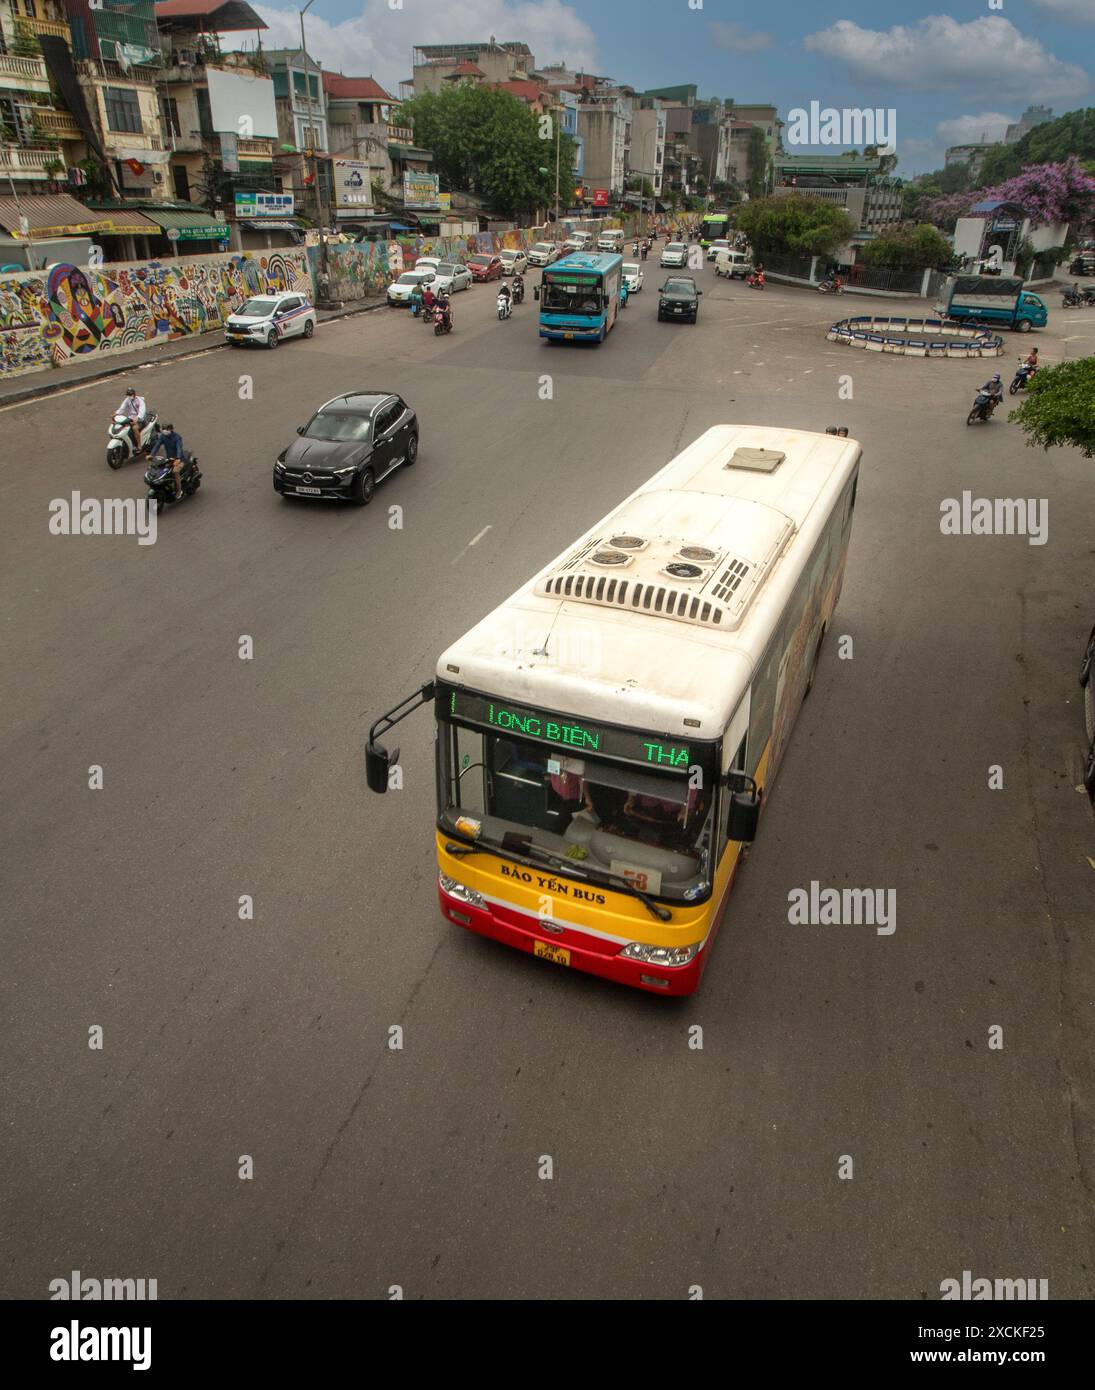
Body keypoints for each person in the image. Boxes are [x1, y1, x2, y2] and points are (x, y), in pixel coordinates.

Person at [151, 421, 186, 500]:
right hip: (169, 459)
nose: (164, 430)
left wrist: (178, 458)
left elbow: (179, 448)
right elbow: (157, 445)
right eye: (163, 429)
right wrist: (151, 454)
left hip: (180, 460)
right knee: (160, 470)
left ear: (171, 429)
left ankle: (179, 491)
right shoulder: (163, 437)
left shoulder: (177, 437)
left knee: (175, 472)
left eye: (167, 429)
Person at [117, 385, 146, 454]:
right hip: (131, 418)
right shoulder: (127, 400)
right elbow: (122, 408)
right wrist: (116, 414)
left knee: (135, 428)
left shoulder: (140, 401)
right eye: (128, 395)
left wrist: (137, 418)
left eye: (130, 394)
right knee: (122, 427)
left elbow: (142, 411)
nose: (129, 396)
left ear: (134, 394)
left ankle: (139, 446)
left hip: (140, 419)